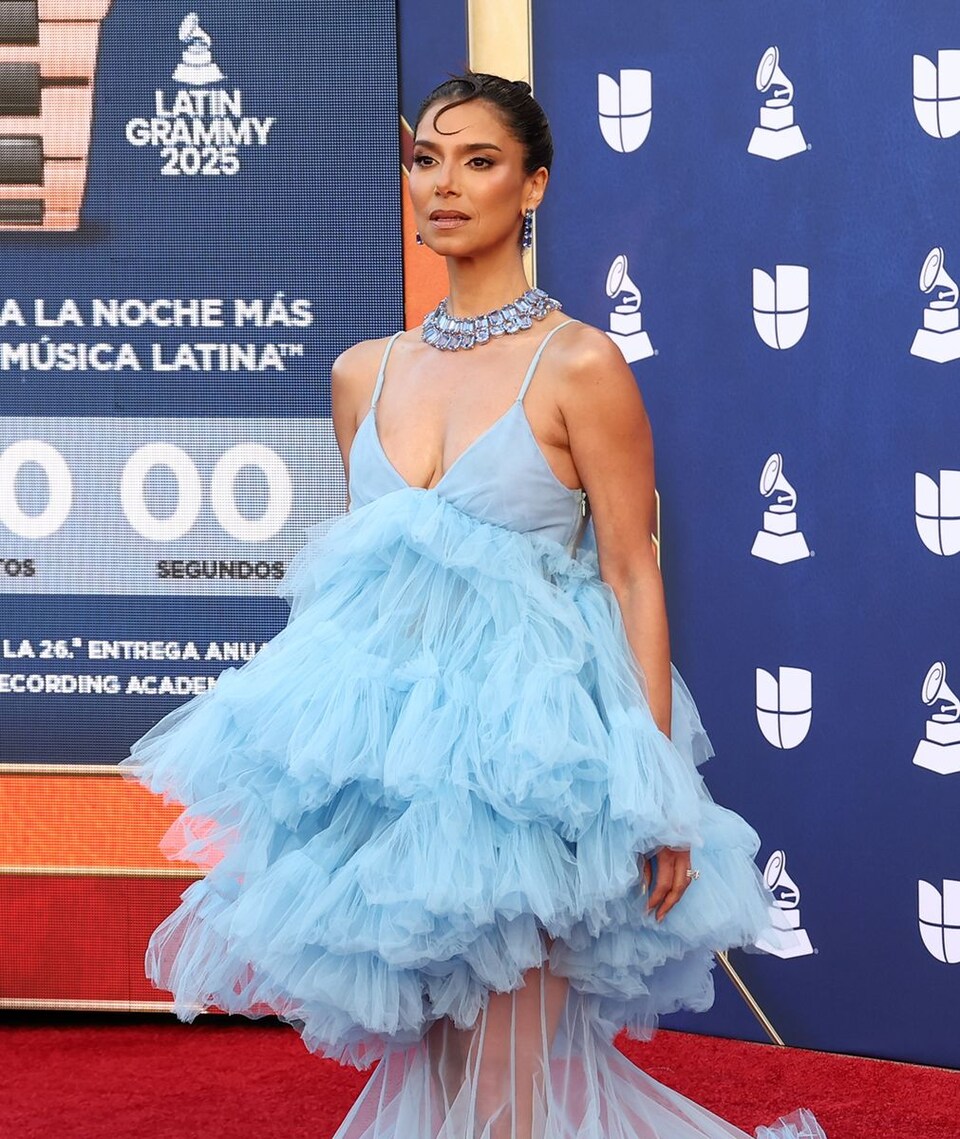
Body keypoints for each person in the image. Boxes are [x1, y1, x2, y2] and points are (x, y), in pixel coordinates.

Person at [118, 72, 827, 1139]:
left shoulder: (581, 363)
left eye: (480, 161)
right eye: (426, 160)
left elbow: (633, 570)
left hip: (535, 770)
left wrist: (656, 789)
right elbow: (363, 580)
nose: (445, 185)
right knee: (442, 1079)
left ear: (533, 184)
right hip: (402, 778)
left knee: (507, 1092)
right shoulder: (364, 371)